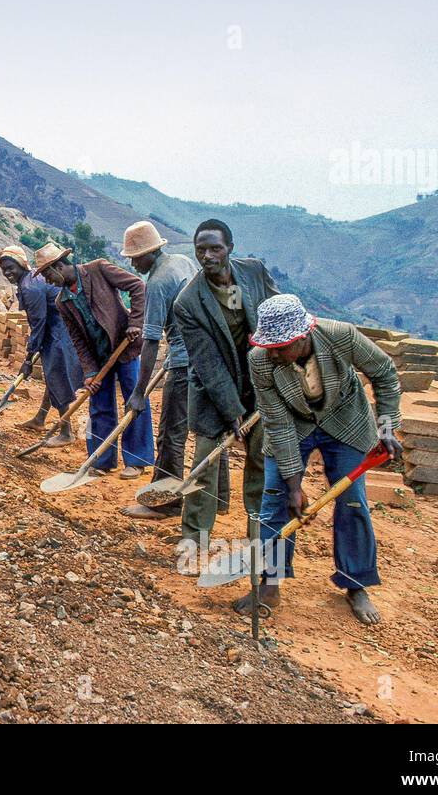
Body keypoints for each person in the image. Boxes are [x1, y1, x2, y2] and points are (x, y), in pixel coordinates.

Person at [242, 294, 404, 625]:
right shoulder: (260, 361)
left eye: (280, 347)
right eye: (268, 347)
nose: (272, 354)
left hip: (345, 420)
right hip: (294, 424)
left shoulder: (340, 335)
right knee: (275, 499)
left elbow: (385, 372)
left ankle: (356, 583)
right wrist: (293, 484)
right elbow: (277, 421)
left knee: (352, 502)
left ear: (302, 337)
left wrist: (386, 427)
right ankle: (270, 580)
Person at [171, 219, 279, 567]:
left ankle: (259, 539)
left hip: (260, 385)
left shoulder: (254, 273)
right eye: (200, 249)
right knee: (206, 460)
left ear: (229, 247)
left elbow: (279, 315)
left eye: (214, 248)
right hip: (213, 390)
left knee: (260, 462)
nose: (207, 255)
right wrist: (232, 412)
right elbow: (207, 361)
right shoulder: (188, 302)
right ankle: (193, 537)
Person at [34, 241, 153, 478]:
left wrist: (135, 324)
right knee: (99, 406)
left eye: (48, 274)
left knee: (135, 400)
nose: (48, 281)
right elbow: (77, 339)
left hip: (124, 346)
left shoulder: (98, 269)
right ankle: (101, 460)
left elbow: (138, 286)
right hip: (98, 359)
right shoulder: (62, 301)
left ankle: (136, 460)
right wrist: (89, 372)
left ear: (59, 266)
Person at [118, 221, 198, 519]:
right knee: (207, 431)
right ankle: (221, 500)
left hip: (183, 361)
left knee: (170, 435)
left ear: (150, 252)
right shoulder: (181, 262)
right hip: (202, 356)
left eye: (135, 257)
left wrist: (139, 393)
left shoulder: (156, 283)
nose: (133, 262)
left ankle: (165, 504)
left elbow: (150, 341)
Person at [0, 245, 83, 446]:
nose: (8, 273)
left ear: (21, 264)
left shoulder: (30, 286)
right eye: (4, 270)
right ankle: (40, 419)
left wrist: (28, 359)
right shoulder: (28, 282)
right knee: (52, 376)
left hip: (59, 333)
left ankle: (66, 432)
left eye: (11, 267)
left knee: (57, 378)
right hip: (54, 330)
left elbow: (38, 324)